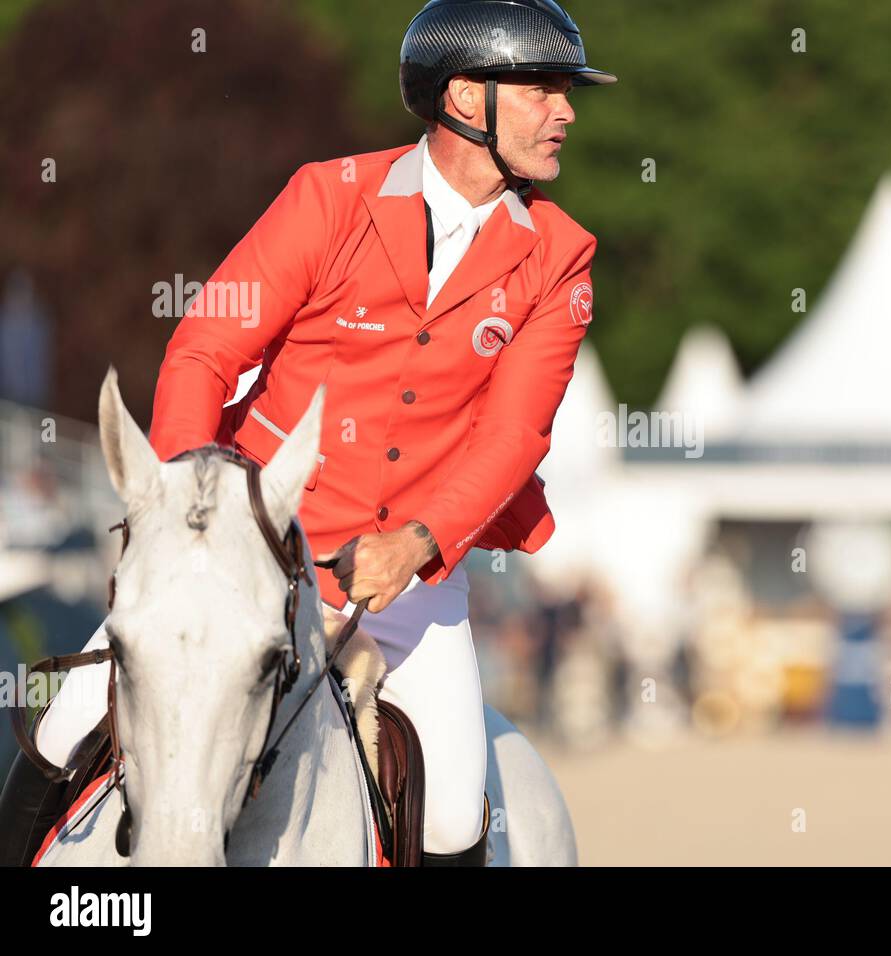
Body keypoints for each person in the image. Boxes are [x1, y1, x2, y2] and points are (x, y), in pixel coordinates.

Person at [0, 0, 615, 867]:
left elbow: (513, 440)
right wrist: (186, 513)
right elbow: (204, 349)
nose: (567, 111)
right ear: (467, 100)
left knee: (451, 821)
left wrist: (414, 545)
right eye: (545, 89)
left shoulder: (559, 259)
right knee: (60, 733)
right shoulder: (329, 198)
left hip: (409, 584)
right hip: (252, 552)